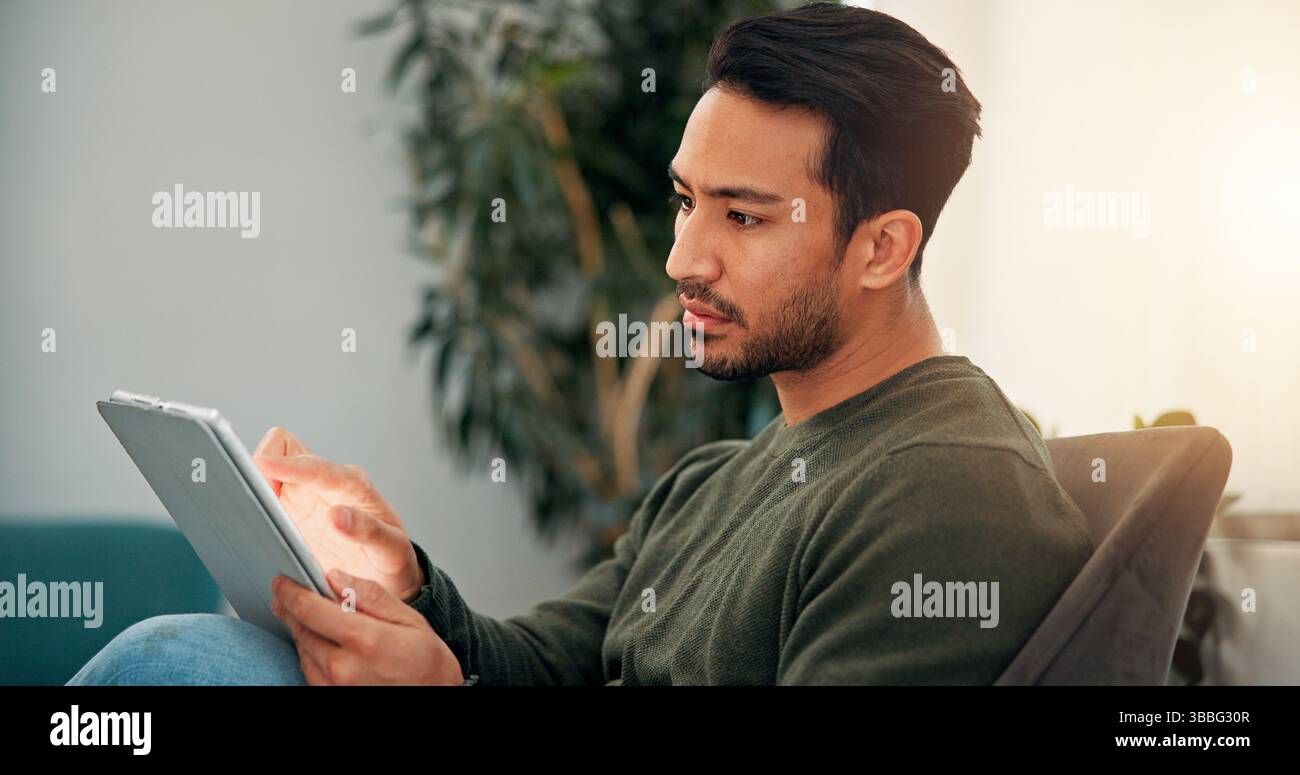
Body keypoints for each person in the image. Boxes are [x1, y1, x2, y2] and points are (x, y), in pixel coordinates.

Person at [68, 2, 1093, 686]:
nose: (684, 259)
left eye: (742, 216)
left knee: (180, 664)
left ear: (882, 248)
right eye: (686, 202)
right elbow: (542, 666)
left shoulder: (947, 491)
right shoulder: (716, 481)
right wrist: (405, 578)